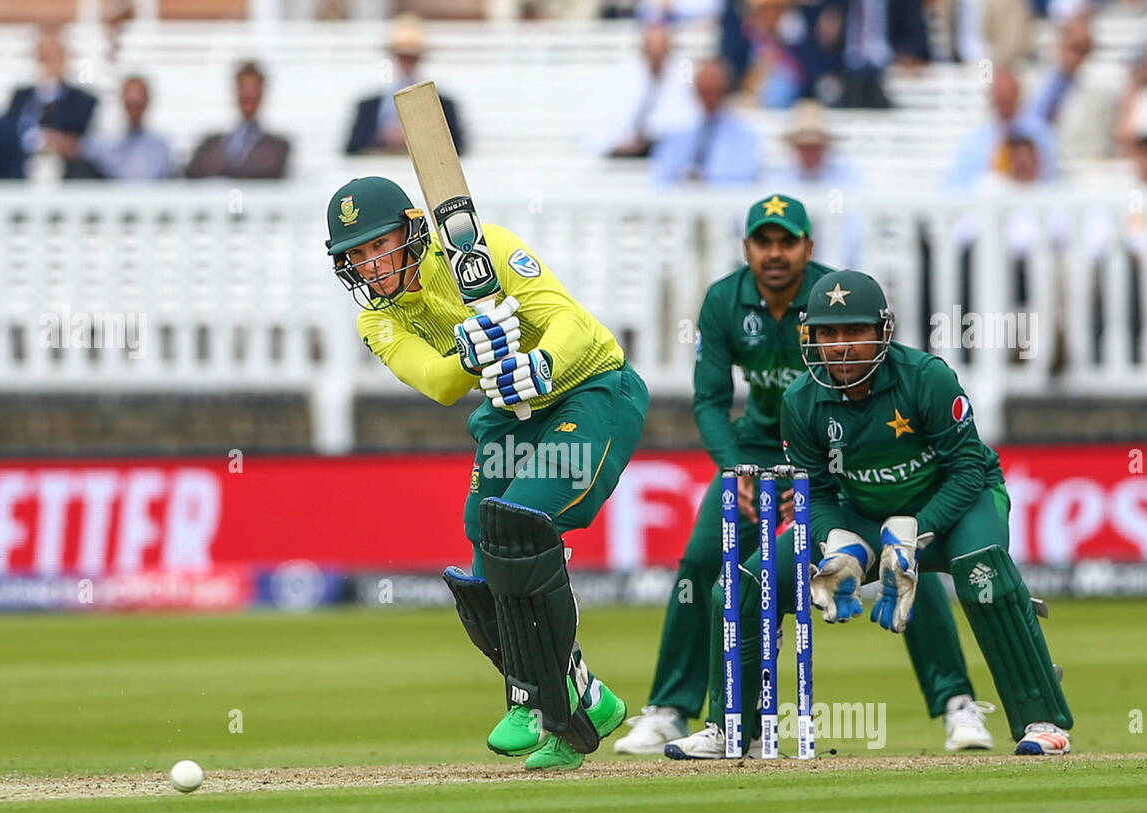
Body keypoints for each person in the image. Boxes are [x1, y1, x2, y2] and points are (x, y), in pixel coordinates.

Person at [615, 195, 985, 758]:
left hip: (834, 455)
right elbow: (711, 402)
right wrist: (734, 467)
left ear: (807, 248)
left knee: (907, 555)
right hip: (753, 454)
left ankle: (956, 703)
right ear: (747, 249)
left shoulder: (830, 300)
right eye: (763, 242)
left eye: (787, 242)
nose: (775, 253)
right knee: (701, 560)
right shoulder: (722, 301)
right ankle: (671, 709)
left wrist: (815, 486)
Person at [324, 176, 649, 771]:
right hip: (508, 415)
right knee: (484, 564)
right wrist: (469, 355)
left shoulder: (484, 249)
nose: (372, 265)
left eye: (380, 244)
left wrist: (541, 362)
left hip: (592, 389)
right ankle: (579, 704)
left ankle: (529, 699)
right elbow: (439, 383)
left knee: (518, 523)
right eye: (358, 256)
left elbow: (570, 321)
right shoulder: (378, 321)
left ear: (413, 227)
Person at [771, 269, 1073, 755]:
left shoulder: (926, 378)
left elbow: (968, 469)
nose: (841, 346)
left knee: (983, 572)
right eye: (827, 334)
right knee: (753, 579)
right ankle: (729, 726)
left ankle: (1042, 720)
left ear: (883, 332)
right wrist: (838, 544)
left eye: (855, 332)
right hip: (865, 515)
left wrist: (916, 532)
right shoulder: (801, 402)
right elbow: (819, 494)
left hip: (957, 505)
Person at [344, 14, 466, 157]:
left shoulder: (444, 104)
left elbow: (458, 148)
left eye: (412, 58)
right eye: (403, 57)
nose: (407, 64)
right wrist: (383, 138)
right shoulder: (368, 105)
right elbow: (352, 147)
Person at [582, 20, 700, 159]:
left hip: (668, 144)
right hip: (629, 148)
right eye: (652, 49)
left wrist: (654, 134)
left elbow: (689, 114)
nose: (657, 56)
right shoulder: (623, 74)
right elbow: (607, 116)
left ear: (669, 49)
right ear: (643, 49)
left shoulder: (683, 71)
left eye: (661, 49)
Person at [4, 25, 98, 179]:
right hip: (23, 174)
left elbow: (84, 144)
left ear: (64, 56)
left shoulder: (84, 100)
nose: (49, 61)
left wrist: (53, 141)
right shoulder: (21, 97)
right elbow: (9, 135)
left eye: (54, 54)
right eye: (45, 55)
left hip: (69, 175)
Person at [650, 59, 761, 185]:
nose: (709, 99)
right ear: (696, 92)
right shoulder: (676, 132)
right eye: (704, 92)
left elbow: (743, 177)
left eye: (714, 91)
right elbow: (661, 176)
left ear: (725, 91)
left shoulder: (745, 136)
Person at [186, 61, 290, 179]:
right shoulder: (211, 142)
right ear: (236, 92)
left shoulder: (277, 147)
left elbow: (268, 174)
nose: (248, 94)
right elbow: (192, 173)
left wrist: (219, 167)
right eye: (243, 87)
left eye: (253, 88)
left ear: (261, 94)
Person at [79, 76, 171, 180]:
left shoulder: (161, 146)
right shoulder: (101, 143)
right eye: (130, 105)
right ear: (122, 101)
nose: (134, 112)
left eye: (138, 105)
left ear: (147, 102)